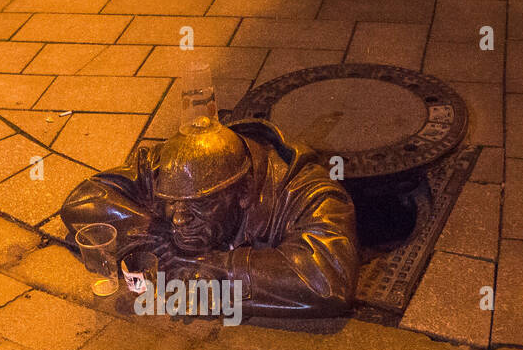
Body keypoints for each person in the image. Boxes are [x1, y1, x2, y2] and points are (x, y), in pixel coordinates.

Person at [60, 115, 359, 318]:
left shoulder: (307, 192)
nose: (178, 219)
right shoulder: (173, 166)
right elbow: (85, 200)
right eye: (171, 204)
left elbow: (327, 279)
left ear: (243, 192)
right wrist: (153, 235)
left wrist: (218, 267)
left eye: (198, 205)